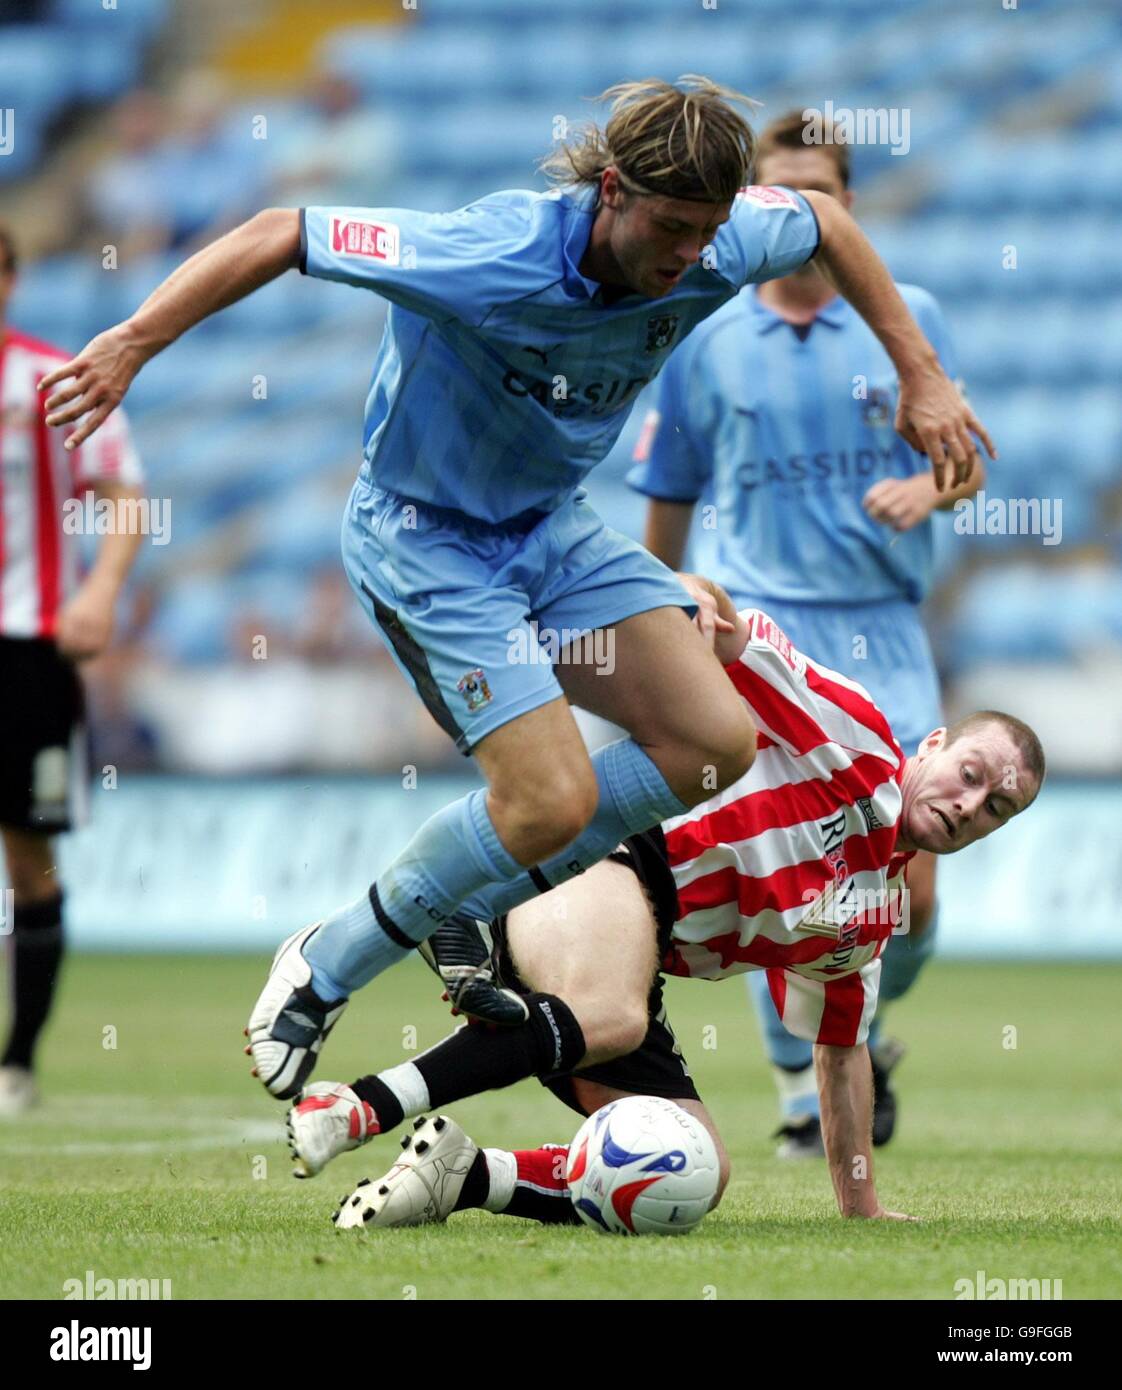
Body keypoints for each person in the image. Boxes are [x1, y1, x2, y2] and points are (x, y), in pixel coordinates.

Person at [37, 78, 992, 1107]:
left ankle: (469, 897)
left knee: (715, 742)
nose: (688, 256)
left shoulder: (721, 240)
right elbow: (281, 229)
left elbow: (829, 221)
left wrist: (921, 373)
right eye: (671, 227)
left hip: (552, 526)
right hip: (428, 537)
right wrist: (134, 341)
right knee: (551, 799)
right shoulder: (490, 252)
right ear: (614, 190)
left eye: (707, 231)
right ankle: (326, 963)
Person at [281, 584, 1043, 1232]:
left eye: (995, 809)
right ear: (934, 744)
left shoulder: (868, 923)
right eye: (970, 774)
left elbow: (841, 1051)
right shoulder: (858, 735)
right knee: (614, 1016)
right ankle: (356, 1104)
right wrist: (684, 593)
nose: (969, 805)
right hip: (616, 849)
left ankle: (468, 1176)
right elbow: (732, 628)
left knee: (692, 1171)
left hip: (635, 953)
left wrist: (862, 1207)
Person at [627, 109, 984, 1155]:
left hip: (881, 627)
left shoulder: (907, 318)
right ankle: (801, 1082)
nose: (795, 214)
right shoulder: (704, 332)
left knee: (908, 890)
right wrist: (664, 609)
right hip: (759, 635)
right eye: (772, 195)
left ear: (846, 208)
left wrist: (931, 488)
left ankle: (863, 1026)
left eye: (815, 195)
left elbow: (966, 458)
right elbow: (667, 493)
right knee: (779, 862)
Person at [0, 225, 144, 1115]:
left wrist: (101, 593)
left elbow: (127, 496)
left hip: (27, 648)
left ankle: (17, 1064)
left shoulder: (52, 379)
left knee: (29, 855)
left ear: (11, 279)